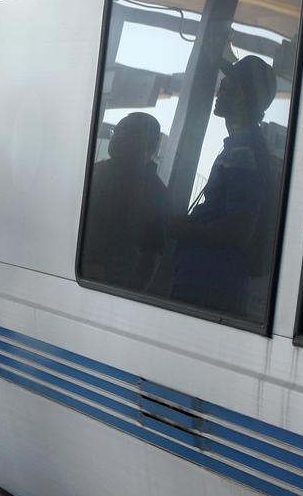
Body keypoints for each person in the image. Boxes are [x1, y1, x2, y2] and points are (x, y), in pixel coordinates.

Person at [171, 55, 280, 319]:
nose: (220, 89)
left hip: (208, 289)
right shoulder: (242, 146)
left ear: (242, 96)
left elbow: (238, 230)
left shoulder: (243, 152)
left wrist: (184, 229)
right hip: (211, 286)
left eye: (228, 84)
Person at [80, 112, 169, 292]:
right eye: (117, 130)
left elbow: (151, 255)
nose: (118, 137)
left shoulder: (156, 193)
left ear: (150, 145)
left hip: (111, 285)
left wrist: (131, 293)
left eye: (129, 133)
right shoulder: (95, 171)